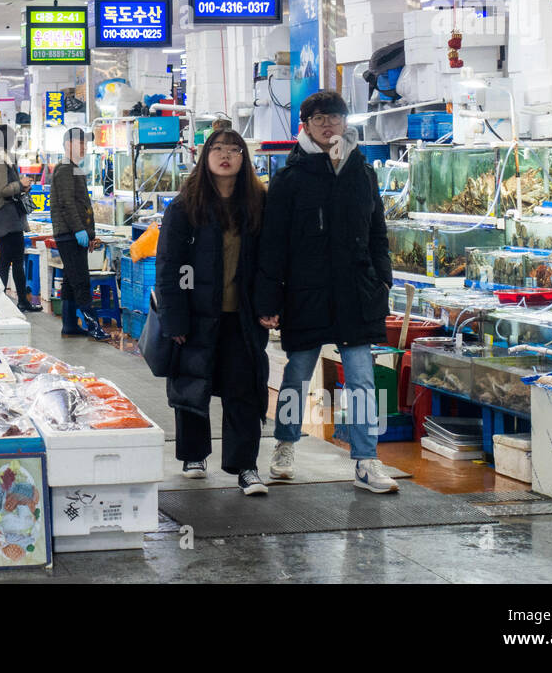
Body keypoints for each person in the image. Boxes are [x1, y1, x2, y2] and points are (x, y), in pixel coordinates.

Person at [256, 90, 399, 494]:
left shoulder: (362, 172)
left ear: (344, 121)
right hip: (306, 294)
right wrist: (269, 299)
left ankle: (367, 461)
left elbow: (377, 233)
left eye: (334, 117)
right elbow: (273, 243)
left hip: (356, 291)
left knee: (362, 379)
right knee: (297, 376)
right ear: (305, 126)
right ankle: (284, 446)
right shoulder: (290, 178)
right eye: (318, 119)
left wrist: (382, 279)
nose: (327, 125)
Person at [155, 128, 270, 496]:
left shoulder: (258, 204)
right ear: (204, 157)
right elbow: (168, 266)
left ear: (243, 158)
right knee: (192, 385)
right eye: (217, 149)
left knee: (244, 391)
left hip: (242, 317)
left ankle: (246, 467)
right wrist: (174, 319)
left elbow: (272, 263)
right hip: (195, 315)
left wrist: (271, 306)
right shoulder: (185, 206)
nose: (226, 155)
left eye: (234, 149)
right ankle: (193, 455)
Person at [49, 127, 109, 341]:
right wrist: (79, 230)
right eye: (79, 143)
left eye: (85, 144)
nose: (83, 147)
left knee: (70, 279)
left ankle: (69, 325)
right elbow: (67, 204)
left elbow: (80, 203)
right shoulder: (65, 168)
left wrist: (89, 233)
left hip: (73, 233)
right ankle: (93, 326)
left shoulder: (73, 168)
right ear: (67, 145)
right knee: (81, 281)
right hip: (69, 234)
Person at [0, 124, 42, 313]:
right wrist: (20, 184)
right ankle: (16, 302)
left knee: (8, 260)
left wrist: (21, 186)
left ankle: (4, 301)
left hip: (5, 215)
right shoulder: (0, 161)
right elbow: (2, 190)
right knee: (14, 261)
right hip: (7, 216)